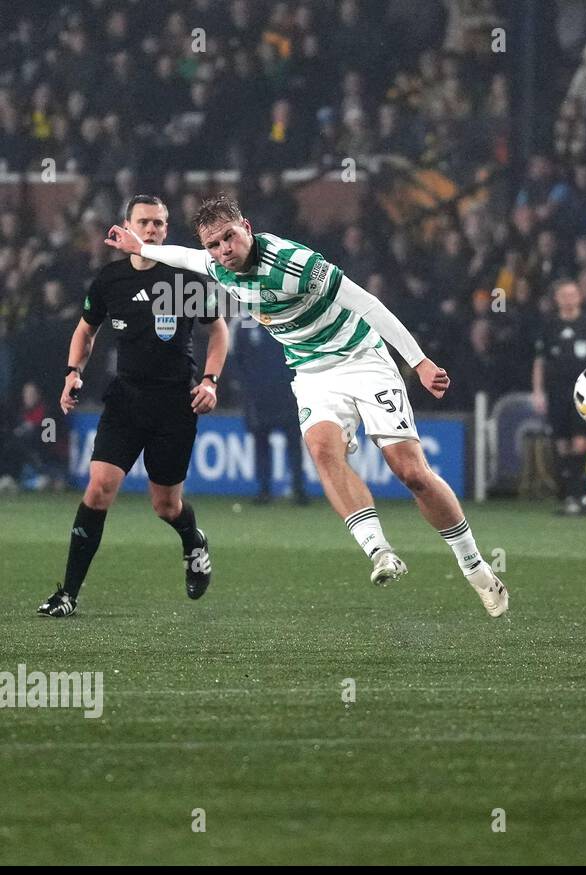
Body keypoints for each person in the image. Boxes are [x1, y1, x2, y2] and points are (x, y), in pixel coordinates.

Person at [104, 195, 507, 617]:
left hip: (360, 357)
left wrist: (419, 362)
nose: (224, 250)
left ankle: (475, 567)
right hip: (313, 374)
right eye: (214, 245)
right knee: (322, 451)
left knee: (410, 472)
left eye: (229, 238)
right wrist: (143, 248)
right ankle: (380, 551)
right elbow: (185, 257)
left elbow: (367, 303)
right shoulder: (215, 264)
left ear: (247, 227)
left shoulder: (294, 265)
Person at [39, 195, 228, 618]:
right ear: (126, 225)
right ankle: (67, 593)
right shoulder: (110, 280)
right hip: (125, 400)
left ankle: (193, 540)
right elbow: (85, 332)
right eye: (144, 222)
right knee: (99, 487)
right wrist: (73, 372)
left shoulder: (184, 278)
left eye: (160, 224)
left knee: (165, 506)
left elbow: (219, 332)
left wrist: (211, 382)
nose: (152, 230)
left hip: (175, 404)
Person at [531, 280, 586, 515]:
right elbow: (540, 361)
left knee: (580, 442)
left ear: (579, 297)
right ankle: (568, 496)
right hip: (557, 392)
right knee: (561, 445)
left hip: (585, 393)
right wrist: (538, 391)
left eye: (573, 294)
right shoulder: (550, 325)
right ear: (557, 299)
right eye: (564, 295)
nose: (569, 299)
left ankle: (581, 496)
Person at [230, 309, 308, 505]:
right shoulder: (243, 322)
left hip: (288, 395)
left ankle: (298, 489)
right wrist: (246, 387)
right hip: (258, 398)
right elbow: (234, 358)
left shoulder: (289, 315)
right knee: (261, 444)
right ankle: (264, 490)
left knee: (294, 443)